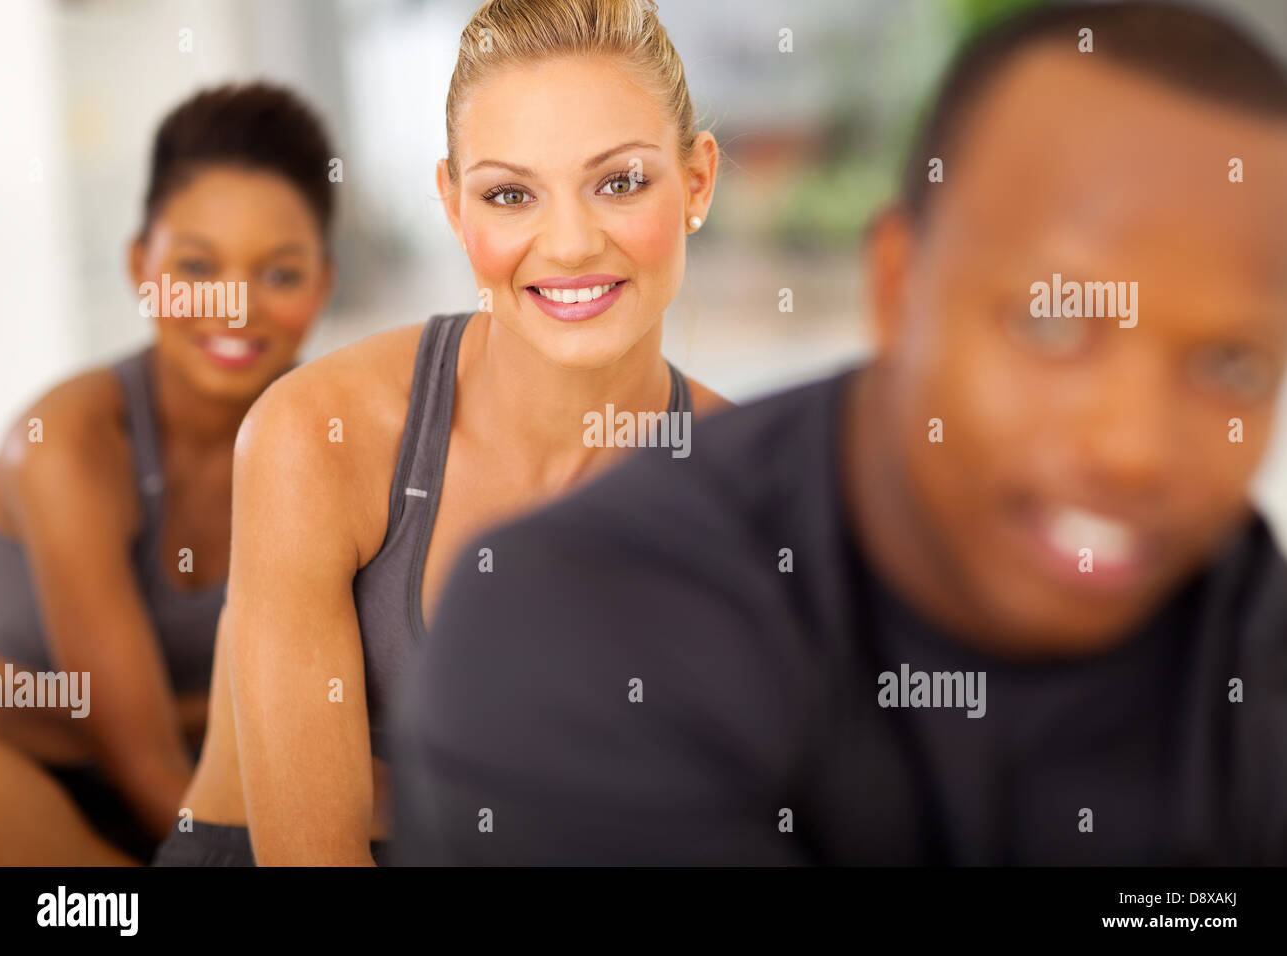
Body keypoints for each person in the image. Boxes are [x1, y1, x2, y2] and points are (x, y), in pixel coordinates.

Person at [390, 0, 1287, 865]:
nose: (1133, 450)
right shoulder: (569, 629)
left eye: (1231, 368)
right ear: (899, 287)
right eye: (1052, 325)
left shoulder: (1250, 648)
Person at [155, 0, 725, 866]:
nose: (570, 244)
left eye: (619, 181)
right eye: (510, 194)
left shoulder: (748, 486)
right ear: (456, 209)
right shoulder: (319, 438)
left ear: (696, 182)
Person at [0, 83, 336, 864]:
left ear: (323, 284)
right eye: (196, 265)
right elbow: (146, 768)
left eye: (279, 274)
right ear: (140, 265)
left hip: (205, 788)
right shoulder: (68, 445)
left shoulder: (336, 438)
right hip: (34, 789)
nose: (234, 307)